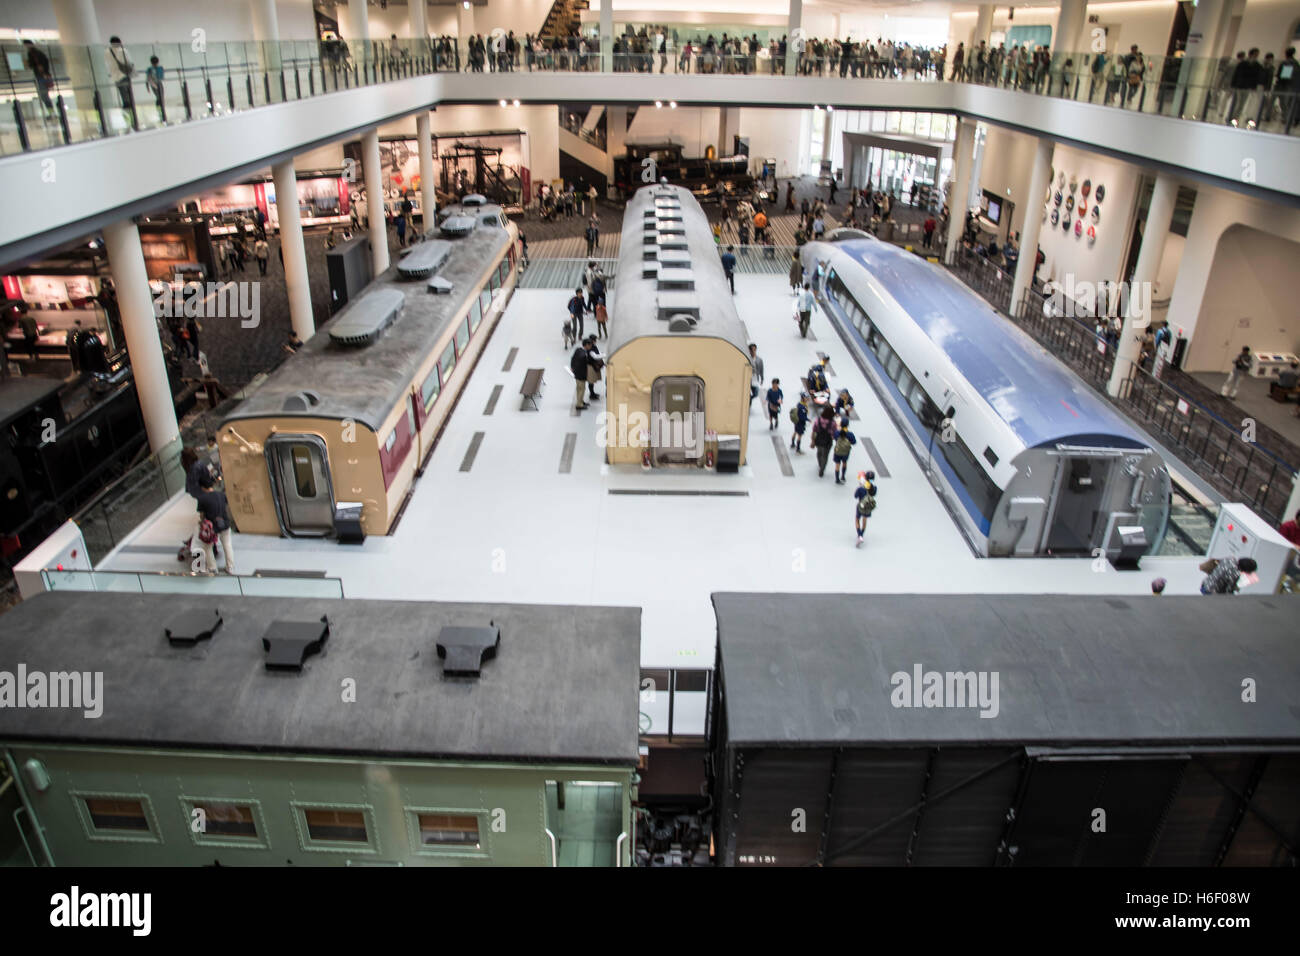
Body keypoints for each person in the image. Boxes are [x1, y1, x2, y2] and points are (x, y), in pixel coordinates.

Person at [194, 470, 235, 575]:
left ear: (202, 487)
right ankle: (230, 568)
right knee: (227, 544)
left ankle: (213, 568)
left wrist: (202, 522)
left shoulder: (202, 498)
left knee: (207, 547)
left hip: (212, 527)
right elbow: (225, 506)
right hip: (225, 523)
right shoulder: (221, 494)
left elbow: (202, 515)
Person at [23, 40, 54, 116]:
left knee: (44, 97)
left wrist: (28, 64)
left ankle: (52, 113)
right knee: (45, 97)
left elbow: (33, 65)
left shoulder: (33, 53)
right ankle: (52, 113)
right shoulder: (38, 53)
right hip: (44, 76)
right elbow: (45, 62)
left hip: (41, 77)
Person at [810, 406, 837, 477]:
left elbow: (814, 430)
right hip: (828, 441)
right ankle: (822, 468)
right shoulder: (833, 423)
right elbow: (834, 432)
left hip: (819, 440)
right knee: (825, 455)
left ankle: (820, 464)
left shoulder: (818, 420)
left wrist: (812, 441)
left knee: (819, 453)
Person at [854, 470, 877, 547]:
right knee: (864, 520)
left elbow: (855, 496)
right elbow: (874, 493)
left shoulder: (861, 488)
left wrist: (860, 485)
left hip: (861, 506)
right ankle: (862, 535)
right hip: (868, 507)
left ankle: (859, 535)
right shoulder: (874, 488)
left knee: (857, 519)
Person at [832, 417, 857, 483]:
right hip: (846, 452)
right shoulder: (850, 434)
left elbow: (834, 437)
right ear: (847, 425)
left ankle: (837, 479)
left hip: (838, 451)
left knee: (837, 464)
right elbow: (854, 442)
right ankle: (843, 476)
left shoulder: (837, 432)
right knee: (844, 463)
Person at [570, 340, 590, 410]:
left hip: (577, 374)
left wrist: (572, 368)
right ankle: (579, 405)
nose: (590, 347)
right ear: (587, 345)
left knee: (578, 388)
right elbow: (582, 365)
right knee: (582, 389)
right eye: (589, 345)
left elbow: (572, 358)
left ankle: (580, 401)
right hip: (581, 375)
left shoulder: (578, 350)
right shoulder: (583, 355)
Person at [584, 336, 603, 401]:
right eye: (595, 340)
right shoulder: (590, 349)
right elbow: (595, 357)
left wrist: (601, 354)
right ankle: (591, 394)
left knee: (592, 381)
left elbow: (598, 353)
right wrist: (604, 355)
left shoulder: (593, 347)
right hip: (591, 367)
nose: (595, 342)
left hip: (593, 366)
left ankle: (592, 393)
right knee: (591, 381)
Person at [748, 344, 764, 409]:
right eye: (752, 350)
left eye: (754, 350)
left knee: (756, 393)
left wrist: (762, 378)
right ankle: (748, 405)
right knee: (747, 392)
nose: (753, 351)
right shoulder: (747, 358)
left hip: (755, 379)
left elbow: (761, 369)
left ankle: (750, 399)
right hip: (748, 379)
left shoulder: (759, 360)